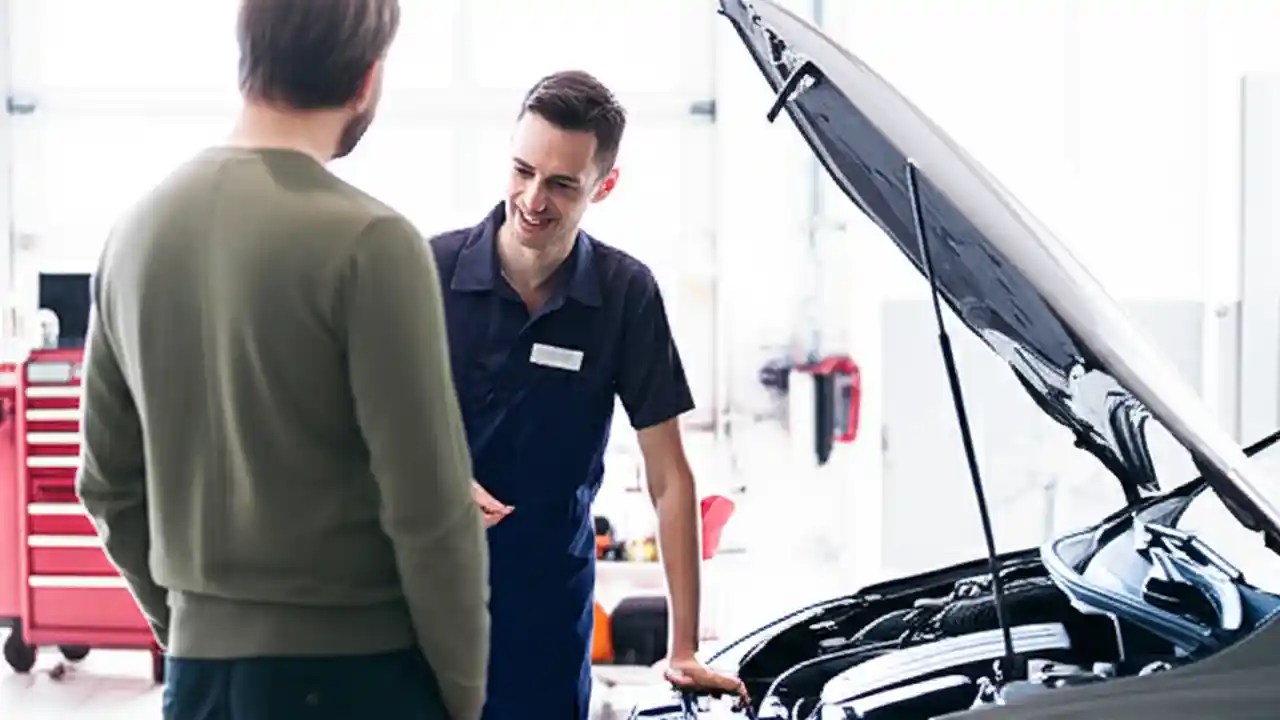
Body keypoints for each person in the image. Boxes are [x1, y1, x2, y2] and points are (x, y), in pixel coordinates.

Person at [73, 1, 490, 719]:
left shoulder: (134, 233)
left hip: (199, 680)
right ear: (367, 77)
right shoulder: (372, 241)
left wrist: (191, 633)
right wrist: (461, 693)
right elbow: (430, 509)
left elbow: (106, 486)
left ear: (248, 57)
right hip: (357, 677)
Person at [428, 69, 748, 719]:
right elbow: (351, 424)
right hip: (421, 603)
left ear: (604, 186)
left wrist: (682, 645)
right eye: (522, 171)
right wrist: (433, 478)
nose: (533, 198)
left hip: (545, 613)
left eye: (561, 184)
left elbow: (669, 478)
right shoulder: (425, 272)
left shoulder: (625, 295)